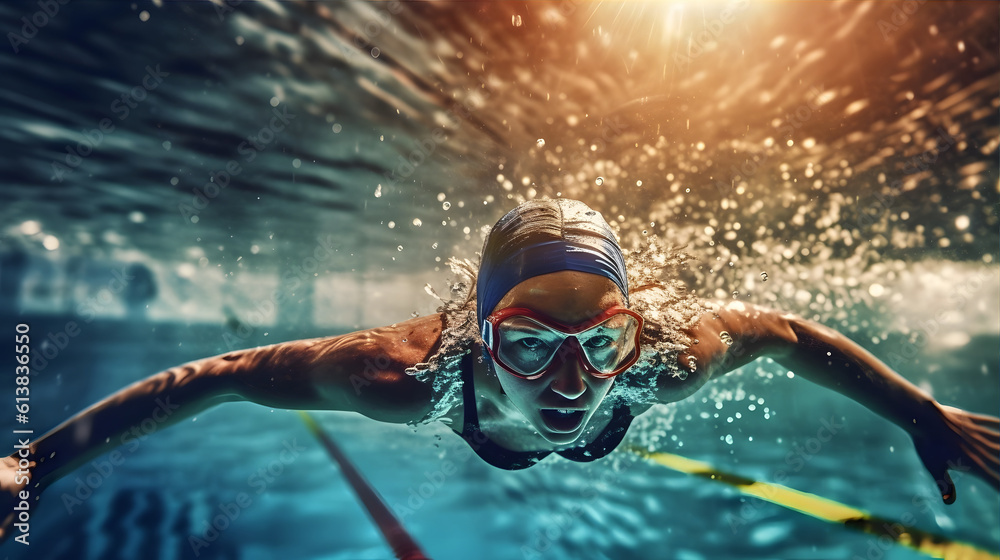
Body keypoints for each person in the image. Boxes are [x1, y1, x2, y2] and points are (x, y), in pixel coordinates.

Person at [1, 198, 997, 540]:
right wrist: (33, 462)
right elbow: (218, 370)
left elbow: (781, 327)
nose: (569, 380)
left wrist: (917, 408)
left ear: (628, 332)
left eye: (598, 340)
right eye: (528, 341)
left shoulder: (660, 356)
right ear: (480, 337)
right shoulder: (402, 374)